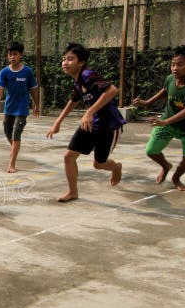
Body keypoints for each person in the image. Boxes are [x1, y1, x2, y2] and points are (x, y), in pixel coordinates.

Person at [46, 43, 125, 202]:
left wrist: (89, 112)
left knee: (99, 164)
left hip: (108, 126)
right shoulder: (78, 82)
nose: (65, 63)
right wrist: (57, 122)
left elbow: (112, 90)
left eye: (70, 59)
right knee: (68, 156)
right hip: (90, 124)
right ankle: (73, 192)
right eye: (63, 59)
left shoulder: (88, 75)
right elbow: (73, 102)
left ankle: (116, 167)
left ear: (80, 62)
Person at [133, 45, 185, 191]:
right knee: (151, 151)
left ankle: (176, 177)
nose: (175, 68)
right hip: (167, 122)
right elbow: (165, 91)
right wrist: (147, 102)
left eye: (180, 64)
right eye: (173, 64)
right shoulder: (170, 79)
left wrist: (165, 122)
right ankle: (166, 166)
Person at [0, 41, 40, 173]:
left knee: (16, 133)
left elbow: (34, 89)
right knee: (8, 133)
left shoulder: (27, 72)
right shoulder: (4, 72)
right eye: (10, 54)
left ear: (21, 55)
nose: (12, 57)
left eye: (15, 54)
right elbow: (0, 90)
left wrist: (36, 105)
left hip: (22, 109)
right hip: (9, 108)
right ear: (8, 56)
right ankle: (15, 149)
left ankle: (12, 164)